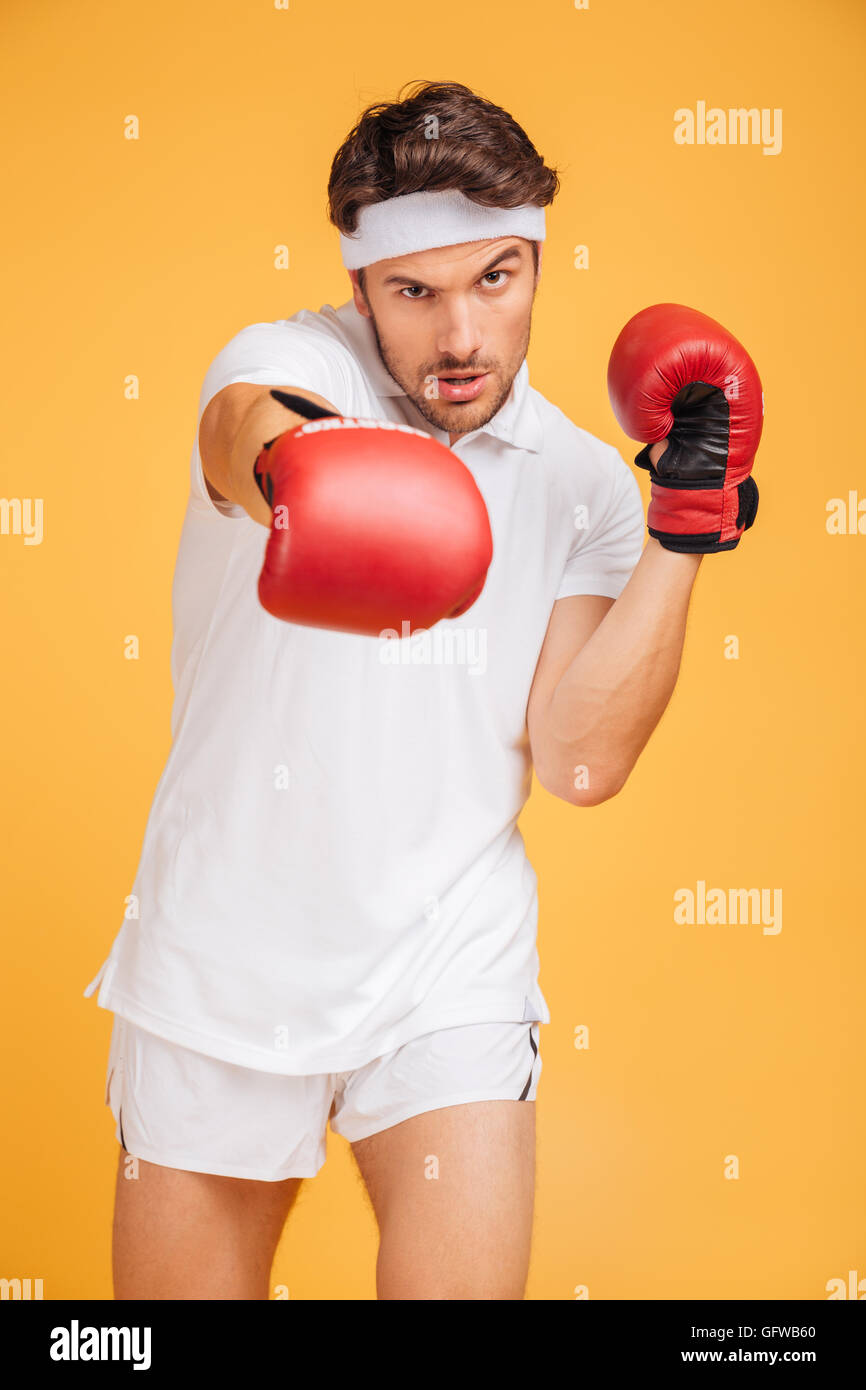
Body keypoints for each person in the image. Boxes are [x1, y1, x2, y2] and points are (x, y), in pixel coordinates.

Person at [82, 79, 759, 1300]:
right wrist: (305, 470)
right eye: (415, 292)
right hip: (223, 954)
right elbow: (242, 427)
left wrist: (679, 531)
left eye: (494, 279)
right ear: (359, 289)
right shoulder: (293, 363)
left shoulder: (580, 484)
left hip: (448, 962)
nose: (460, 337)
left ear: (537, 266)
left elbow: (580, 762)